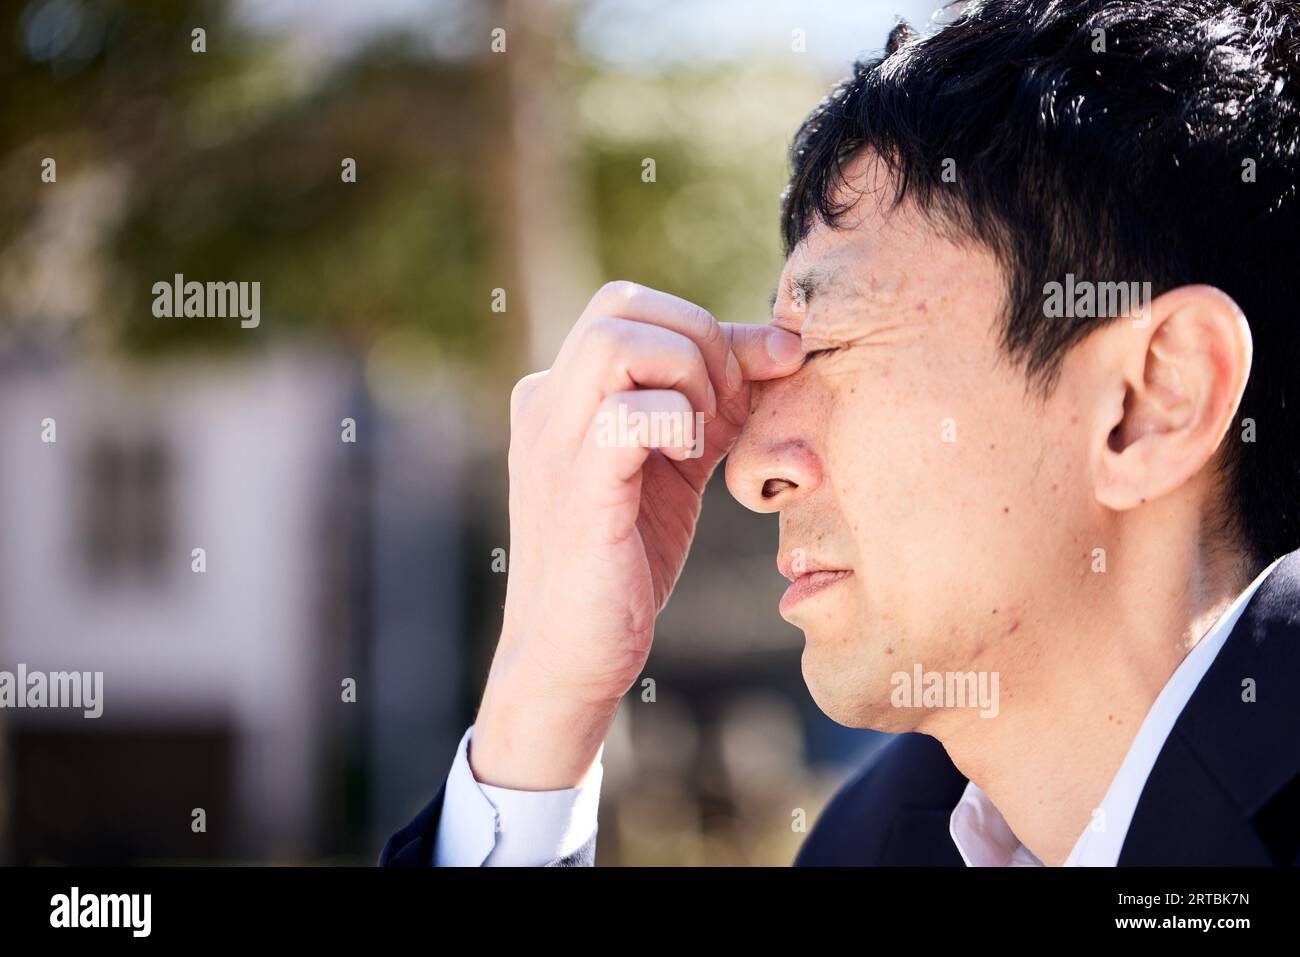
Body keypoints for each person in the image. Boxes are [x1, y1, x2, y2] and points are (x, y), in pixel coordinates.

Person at [382, 0, 1300, 866]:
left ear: (1150, 401)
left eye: (831, 345)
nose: (747, 468)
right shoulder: (873, 841)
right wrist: (537, 711)